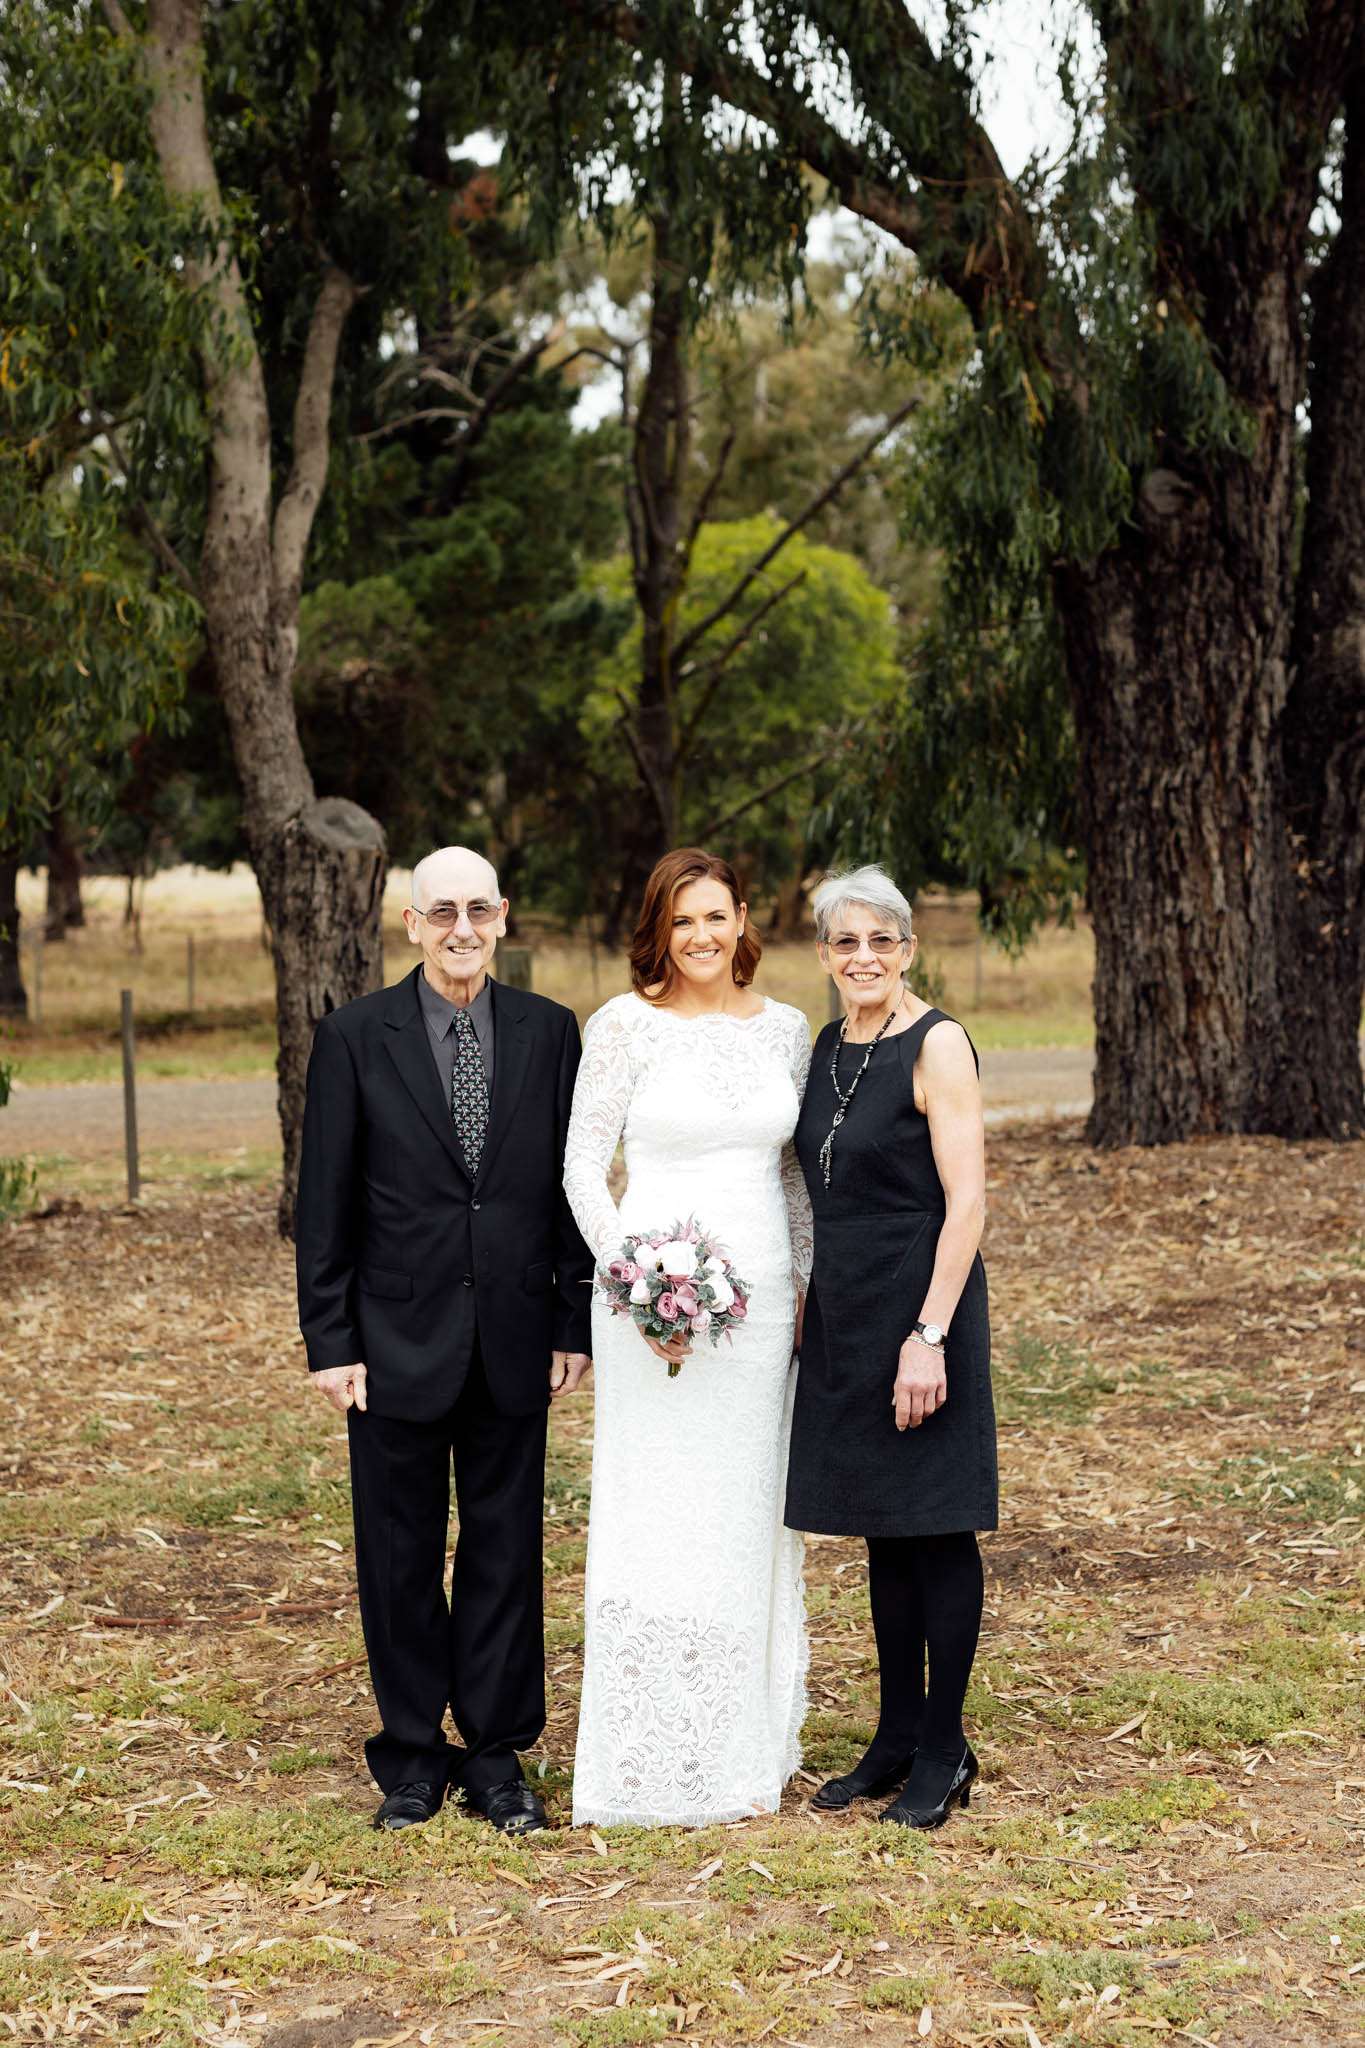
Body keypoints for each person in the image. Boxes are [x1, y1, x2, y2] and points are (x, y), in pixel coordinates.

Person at [295, 845, 593, 1835]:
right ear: (412, 924)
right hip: (392, 1341)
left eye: (478, 910)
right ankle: (414, 1756)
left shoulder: (551, 1032)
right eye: (442, 912)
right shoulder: (353, 1036)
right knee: (400, 1555)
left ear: (502, 915)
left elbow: (571, 1189)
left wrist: (572, 1319)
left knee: (506, 1552)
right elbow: (324, 1203)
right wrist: (330, 1341)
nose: (461, 929)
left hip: (515, 1335)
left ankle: (498, 1756)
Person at [562, 848, 812, 1826]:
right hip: (646, 1302)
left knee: (744, 1512)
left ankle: (739, 1744)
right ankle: (647, 1749)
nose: (700, 936)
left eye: (715, 916)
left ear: (743, 918)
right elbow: (584, 1167)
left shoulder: (786, 1030)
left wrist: (808, 1284)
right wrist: (634, 1282)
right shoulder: (622, 1025)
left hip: (762, 1307)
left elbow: (792, 1174)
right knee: (657, 1511)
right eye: (681, 920)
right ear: (657, 930)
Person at [786, 864, 996, 1830]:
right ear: (824, 954)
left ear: (907, 949)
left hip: (920, 1302)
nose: (862, 957)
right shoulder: (828, 1044)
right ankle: (896, 1733)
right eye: (845, 942)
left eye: (881, 940)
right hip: (848, 1304)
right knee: (884, 1524)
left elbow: (968, 1203)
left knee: (936, 1523)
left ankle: (945, 1749)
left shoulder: (936, 1042)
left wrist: (929, 1334)